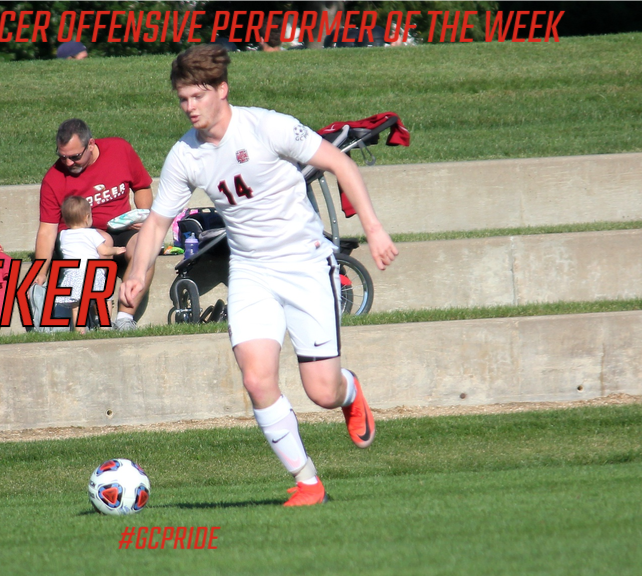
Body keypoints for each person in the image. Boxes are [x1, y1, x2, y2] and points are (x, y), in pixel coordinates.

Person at [121, 45, 399, 506]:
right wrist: (138, 270)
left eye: (197, 96)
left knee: (321, 392)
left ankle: (348, 392)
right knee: (256, 379)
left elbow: (340, 163)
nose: (190, 106)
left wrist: (372, 228)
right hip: (250, 271)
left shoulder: (267, 126)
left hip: (305, 264)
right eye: (183, 98)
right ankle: (308, 482)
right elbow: (156, 222)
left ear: (222, 90)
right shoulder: (185, 155)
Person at [34, 118, 154, 331]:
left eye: (75, 157)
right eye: (63, 157)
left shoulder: (119, 149)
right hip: (84, 237)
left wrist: (143, 217)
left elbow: (142, 187)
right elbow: (47, 230)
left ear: (91, 144)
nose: (68, 163)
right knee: (101, 240)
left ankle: (124, 318)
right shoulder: (54, 179)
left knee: (146, 248)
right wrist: (41, 272)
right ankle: (95, 314)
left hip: (124, 228)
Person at [56, 196, 125, 334]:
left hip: (73, 274)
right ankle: (105, 326)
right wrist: (116, 250)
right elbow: (104, 251)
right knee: (104, 298)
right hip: (92, 272)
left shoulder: (63, 235)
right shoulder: (92, 233)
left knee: (76, 305)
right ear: (87, 217)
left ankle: (79, 330)